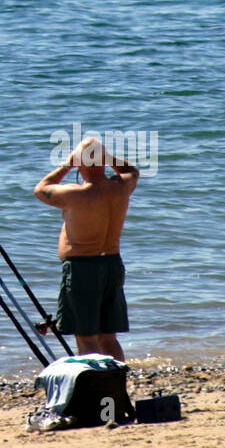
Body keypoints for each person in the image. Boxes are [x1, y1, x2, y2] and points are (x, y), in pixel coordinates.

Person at [34, 135, 139, 360]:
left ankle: (95, 387)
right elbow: (132, 171)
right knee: (108, 337)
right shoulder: (121, 188)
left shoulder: (76, 194)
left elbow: (41, 189)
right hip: (111, 265)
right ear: (103, 161)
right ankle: (115, 385)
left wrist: (67, 164)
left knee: (86, 336)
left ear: (79, 163)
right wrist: (107, 157)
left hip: (83, 269)